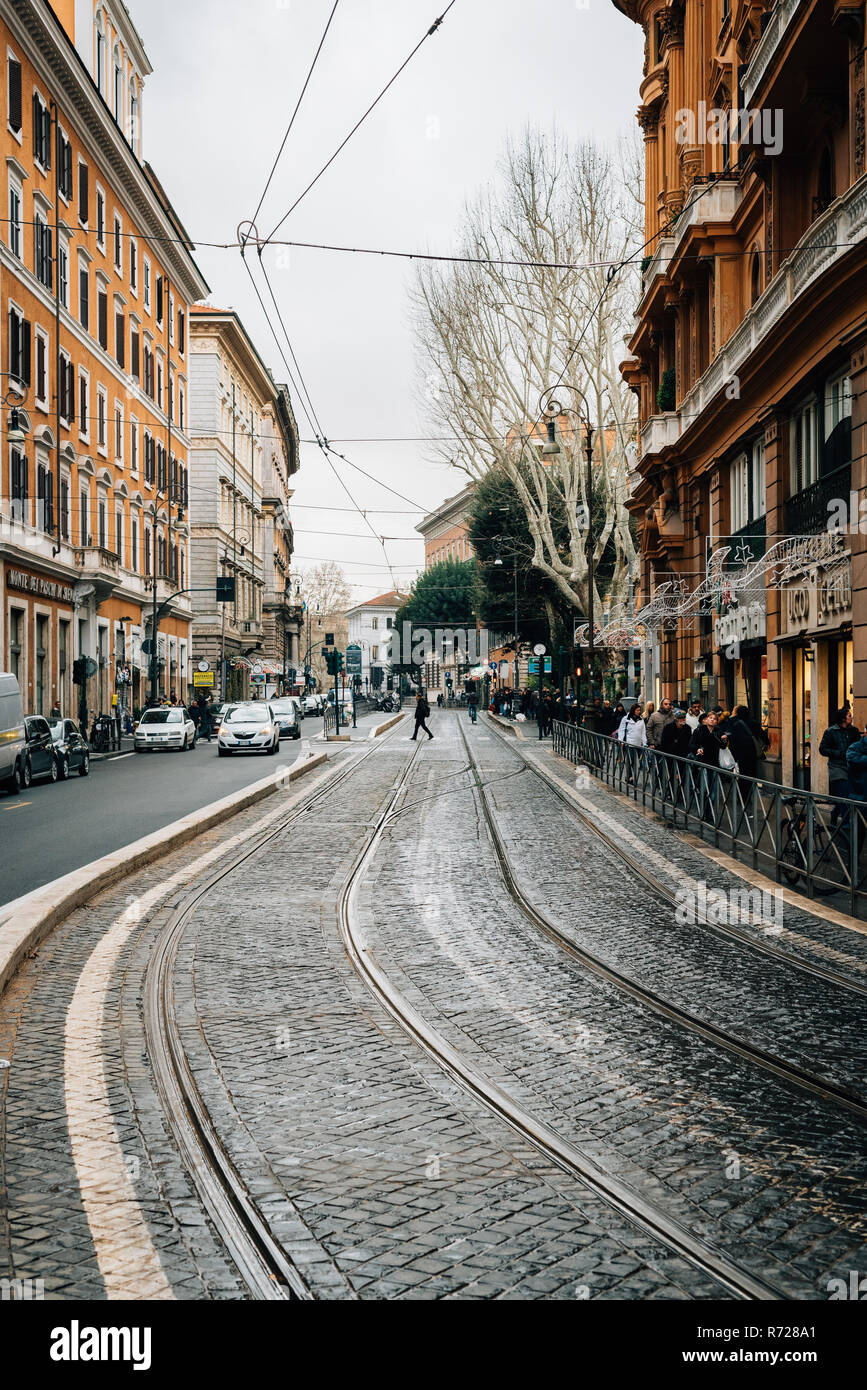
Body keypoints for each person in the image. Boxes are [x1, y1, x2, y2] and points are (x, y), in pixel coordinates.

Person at [820, 707, 858, 820]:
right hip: (836, 767)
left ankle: (835, 812)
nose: (852, 717)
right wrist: (838, 753)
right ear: (843, 719)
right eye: (849, 715)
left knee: (846, 795)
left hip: (850, 767)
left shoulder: (854, 731)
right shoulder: (830, 732)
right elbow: (822, 749)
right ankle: (846, 824)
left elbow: (858, 746)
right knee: (843, 793)